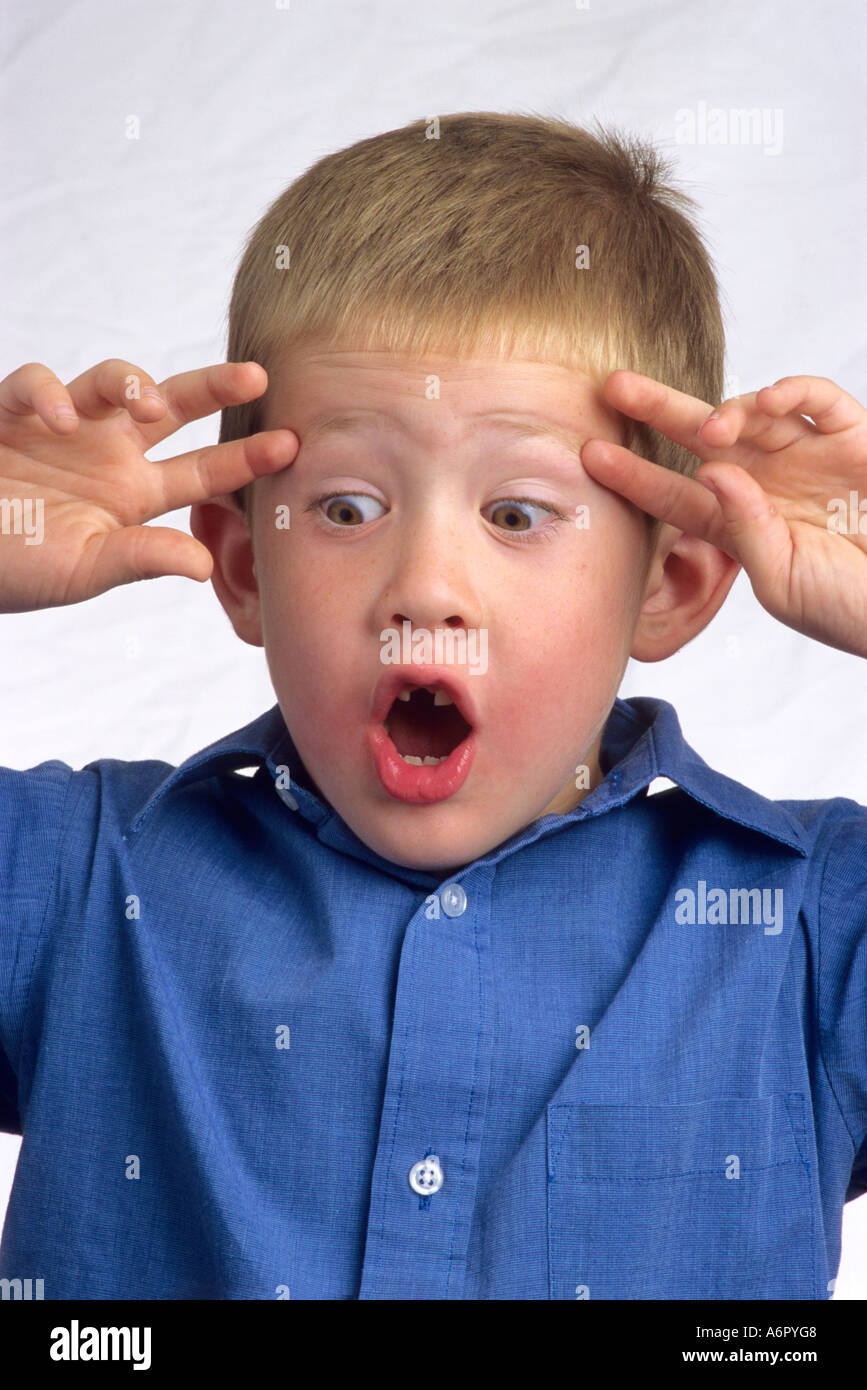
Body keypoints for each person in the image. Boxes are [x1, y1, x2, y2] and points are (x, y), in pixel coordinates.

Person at [0, 111, 864, 1300]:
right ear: (247, 567)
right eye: (348, 510)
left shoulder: (808, 926)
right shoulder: (78, 885)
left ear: (668, 583)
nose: (425, 586)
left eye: (517, 514)